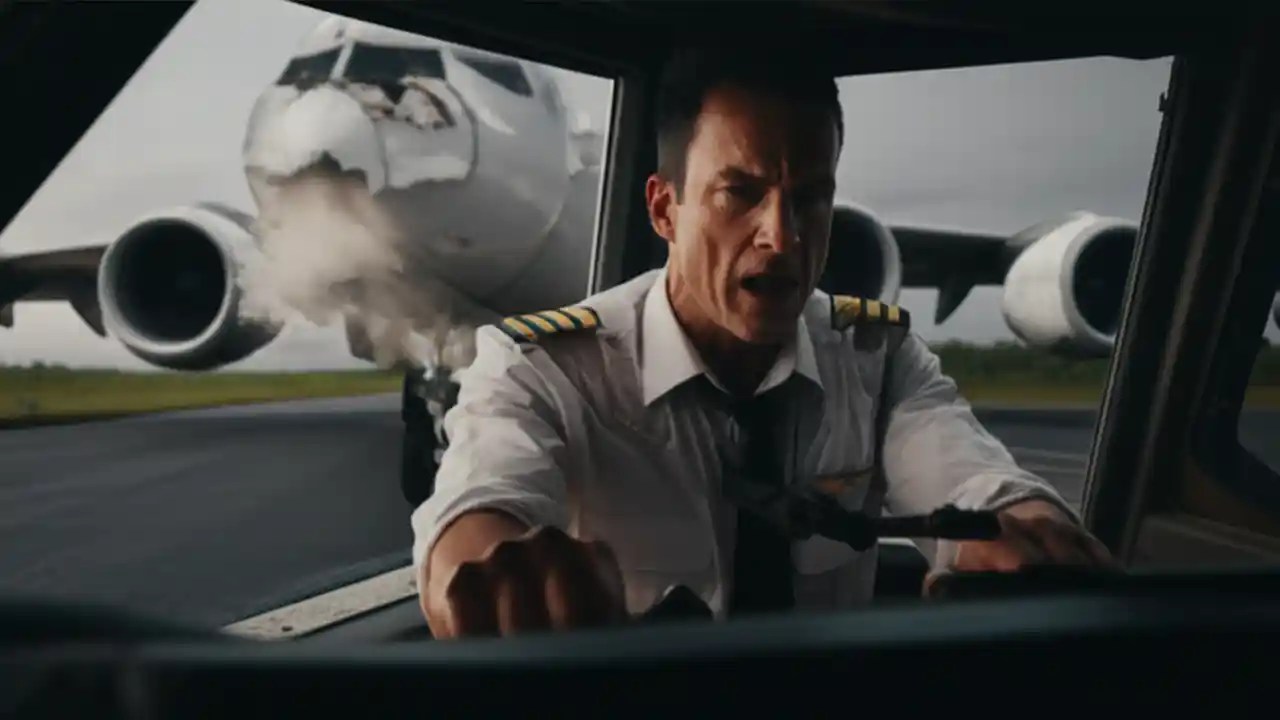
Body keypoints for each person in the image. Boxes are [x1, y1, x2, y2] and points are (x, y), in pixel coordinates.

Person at [410, 47, 1115, 639]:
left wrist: (1033, 532)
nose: (784, 237)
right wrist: (487, 574)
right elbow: (481, 500)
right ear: (664, 208)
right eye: (739, 193)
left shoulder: (876, 358)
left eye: (810, 198)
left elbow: (966, 475)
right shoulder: (546, 368)